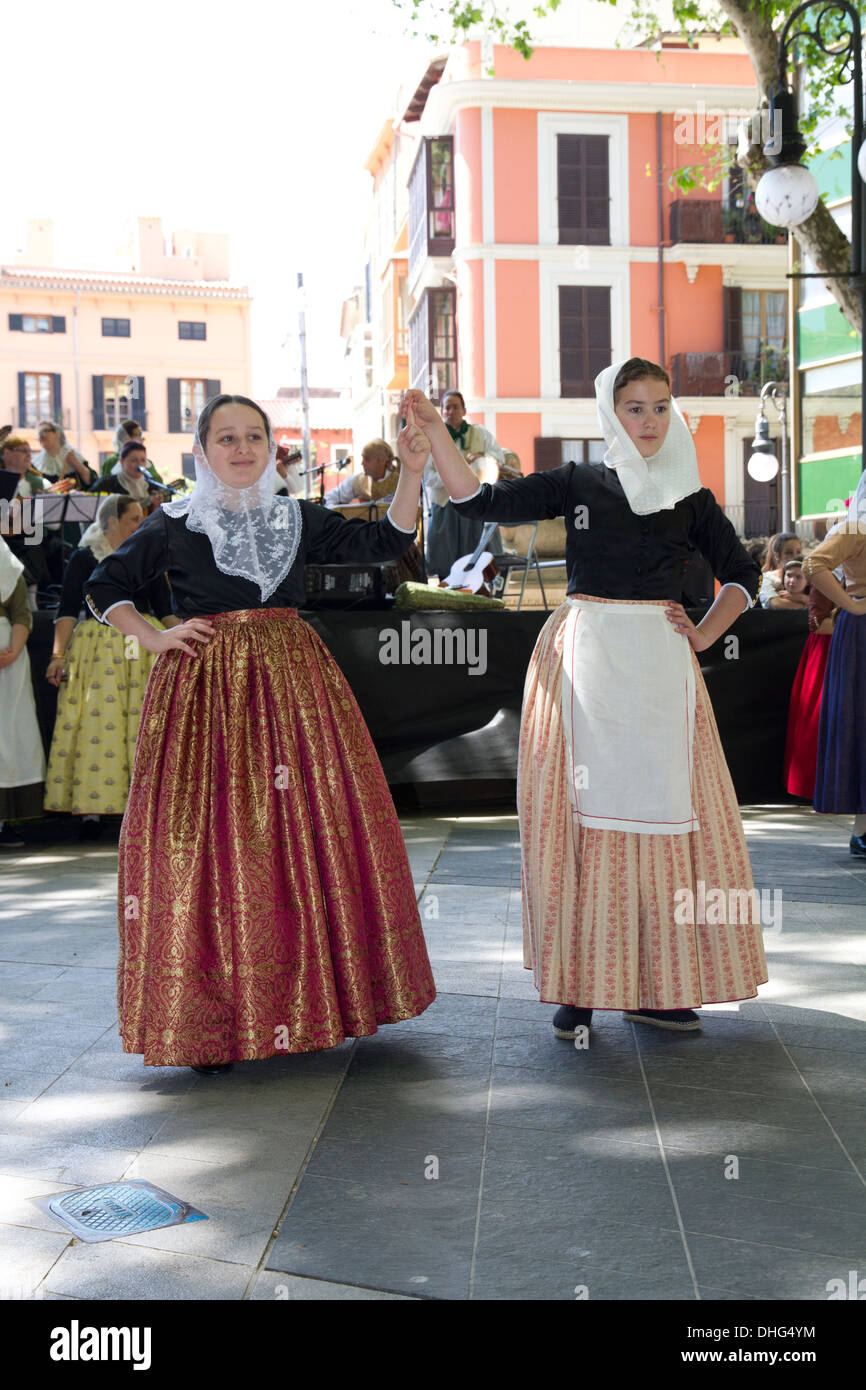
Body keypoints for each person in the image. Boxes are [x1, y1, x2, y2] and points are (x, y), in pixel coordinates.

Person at [403, 358, 767, 1037]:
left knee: (664, 828)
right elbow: (478, 500)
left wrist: (704, 634)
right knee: (582, 827)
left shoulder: (692, 496)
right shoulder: (576, 482)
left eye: (660, 406)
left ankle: (659, 988)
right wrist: (436, 432)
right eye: (635, 407)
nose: (650, 420)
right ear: (611, 412)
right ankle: (580, 986)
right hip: (585, 666)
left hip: (661, 670)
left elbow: (744, 573)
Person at [84, 393, 435, 1073]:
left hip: (295, 692)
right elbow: (104, 584)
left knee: (303, 838)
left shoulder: (295, 517)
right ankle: (211, 1019)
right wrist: (154, 637)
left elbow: (384, 544)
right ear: (202, 450)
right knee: (213, 848)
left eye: (254, 436)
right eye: (226, 438)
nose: (241, 449)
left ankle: (310, 1005)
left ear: (271, 447)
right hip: (207, 700)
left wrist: (413, 474)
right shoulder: (174, 523)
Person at [43, 495, 178, 839]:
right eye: (133, 518)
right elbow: (68, 610)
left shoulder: (147, 556)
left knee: (145, 723)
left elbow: (165, 609)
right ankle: (93, 813)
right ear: (111, 521)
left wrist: (185, 640)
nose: (139, 524)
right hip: (98, 649)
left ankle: (149, 807)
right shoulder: (85, 556)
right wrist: (58, 655)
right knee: (98, 724)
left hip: (144, 645)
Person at [802, 478, 866, 856]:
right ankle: (863, 828)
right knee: (861, 722)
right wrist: (854, 604)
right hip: (861, 630)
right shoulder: (856, 527)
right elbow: (813, 564)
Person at [423, 392, 505, 581]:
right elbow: (428, 476)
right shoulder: (431, 439)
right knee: (445, 557)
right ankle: (449, 593)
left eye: (455, 407)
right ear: (441, 412)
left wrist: (482, 459)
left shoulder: (480, 433)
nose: (450, 411)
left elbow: (498, 458)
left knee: (479, 555)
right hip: (445, 505)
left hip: (476, 504)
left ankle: (480, 591)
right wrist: (453, 479)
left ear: (464, 410)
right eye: (446, 408)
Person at [0, 537, 45, 847]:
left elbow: (21, 614)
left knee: (8, 734)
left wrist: (13, 649)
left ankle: (3, 822)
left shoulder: (7, 566)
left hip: (6, 660)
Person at [783, 576, 838, 801]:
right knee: (822, 719)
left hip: (847, 646)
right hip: (829, 653)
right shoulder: (827, 575)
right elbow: (817, 624)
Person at [325, 439, 398, 508]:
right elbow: (328, 499)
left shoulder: (400, 482)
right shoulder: (356, 481)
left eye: (367, 459)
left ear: (382, 461)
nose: (362, 463)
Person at [88, 439, 160, 508]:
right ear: (122, 461)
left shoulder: (151, 486)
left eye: (143, 460)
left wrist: (156, 505)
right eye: (134, 460)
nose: (139, 464)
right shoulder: (107, 483)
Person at [33, 421, 95, 488]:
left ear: (57, 433)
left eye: (44, 431)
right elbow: (28, 496)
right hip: (44, 498)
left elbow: (91, 483)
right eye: (38, 434)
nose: (40, 437)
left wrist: (76, 463)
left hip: (73, 497)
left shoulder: (72, 454)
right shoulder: (35, 463)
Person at [758, 531, 803, 608]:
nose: (795, 556)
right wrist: (806, 605)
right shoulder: (766, 578)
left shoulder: (808, 576)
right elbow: (776, 603)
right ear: (777, 555)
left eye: (798, 552)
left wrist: (800, 597)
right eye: (788, 553)